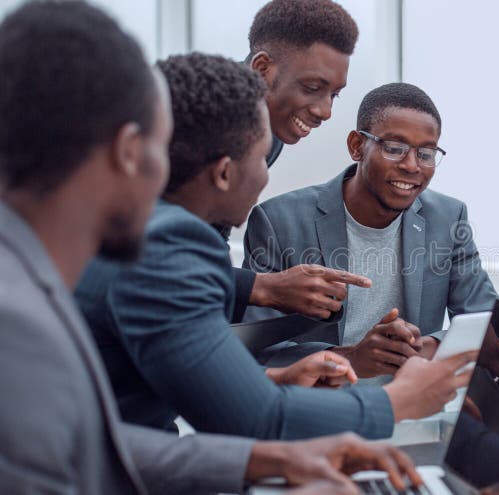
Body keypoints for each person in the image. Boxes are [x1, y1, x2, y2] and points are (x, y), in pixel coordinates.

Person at [0, 2, 421, 494]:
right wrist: (401, 402)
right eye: (162, 148)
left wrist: (261, 456)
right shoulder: (21, 324)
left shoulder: (33, 276)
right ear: (129, 153)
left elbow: (92, 441)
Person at [76, 52, 474, 439]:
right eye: (262, 159)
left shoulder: (138, 232)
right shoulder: (171, 248)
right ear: (225, 173)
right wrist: (399, 402)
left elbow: (201, 388)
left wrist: (277, 379)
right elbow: (257, 417)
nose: (266, 179)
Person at [244, 82, 496, 379]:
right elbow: (254, 350)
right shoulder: (278, 221)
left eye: (426, 153)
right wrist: (348, 359)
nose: (412, 165)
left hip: (411, 407)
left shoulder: (449, 218)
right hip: (318, 410)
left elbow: (486, 322)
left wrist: (426, 347)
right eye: (394, 148)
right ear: (356, 146)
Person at [231, 0, 370, 323]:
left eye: (334, 94)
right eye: (312, 88)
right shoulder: (189, 120)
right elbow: (155, 258)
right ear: (261, 69)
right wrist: (264, 287)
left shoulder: (272, 132)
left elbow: (207, 242)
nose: (325, 111)